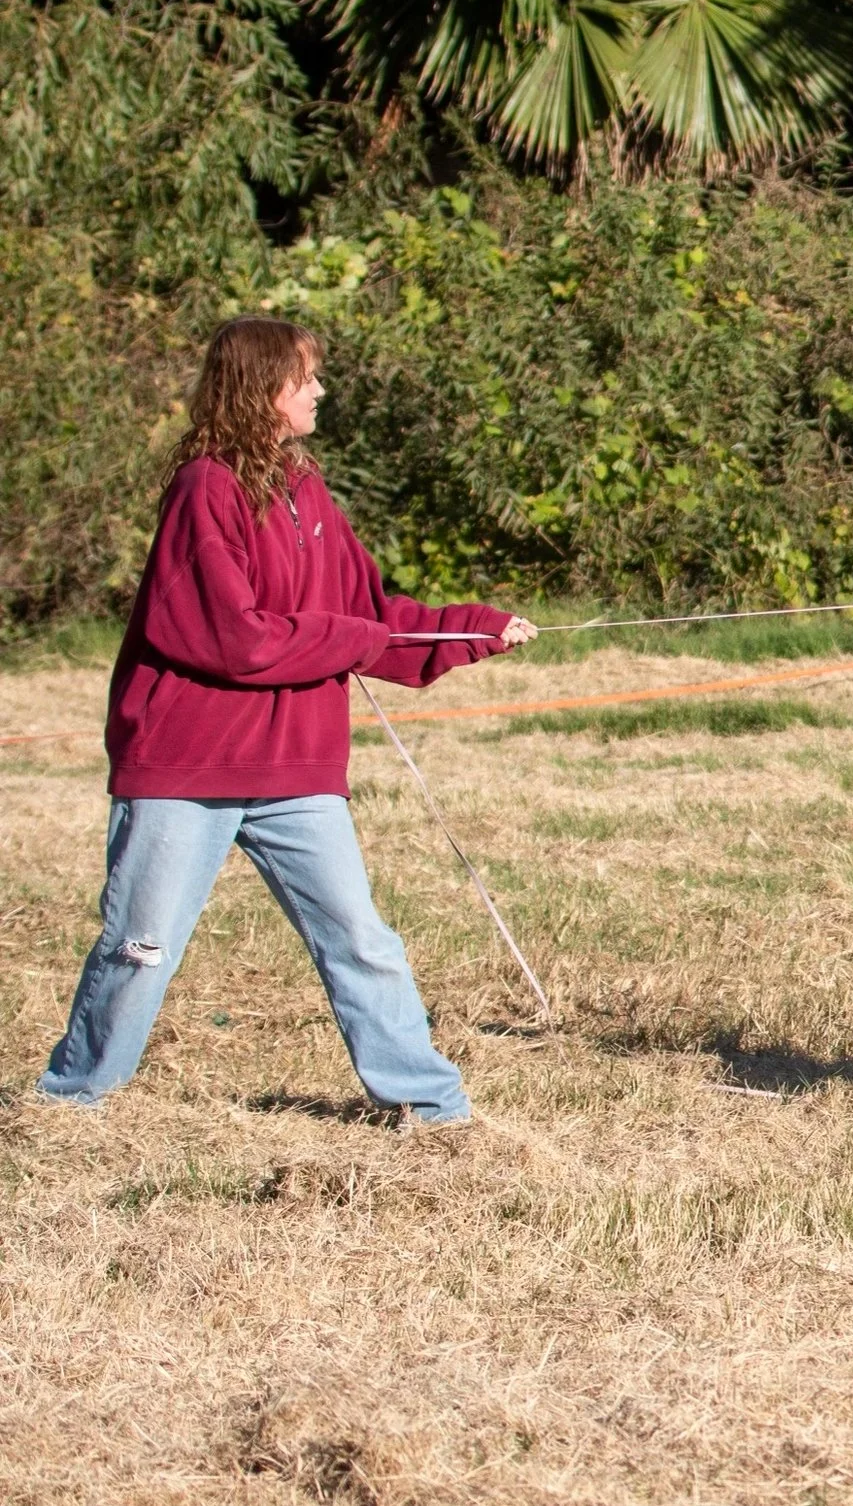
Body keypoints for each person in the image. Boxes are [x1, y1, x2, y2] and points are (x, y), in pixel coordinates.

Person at [34, 317, 537, 1127]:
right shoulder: (204, 488)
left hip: (296, 770)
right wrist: (354, 640)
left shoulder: (306, 488)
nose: (318, 391)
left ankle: (431, 1108)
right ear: (261, 387)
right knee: (140, 949)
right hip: (185, 767)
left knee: (361, 941)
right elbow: (234, 637)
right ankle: (70, 1102)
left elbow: (367, 614)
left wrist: (473, 629)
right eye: (304, 378)